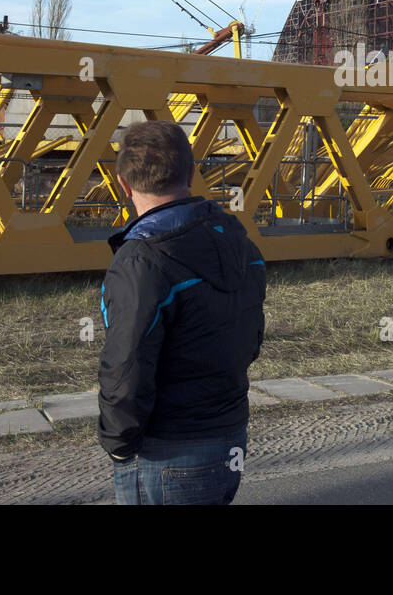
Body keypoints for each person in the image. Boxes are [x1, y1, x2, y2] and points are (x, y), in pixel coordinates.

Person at [98, 120, 266, 505]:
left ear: (123, 184)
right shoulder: (242, 245)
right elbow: (250, 341)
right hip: (230, 438)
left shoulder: (141, 261)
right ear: (191, 174)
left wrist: (118, 444)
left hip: (167, 450)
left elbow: (126, 366)